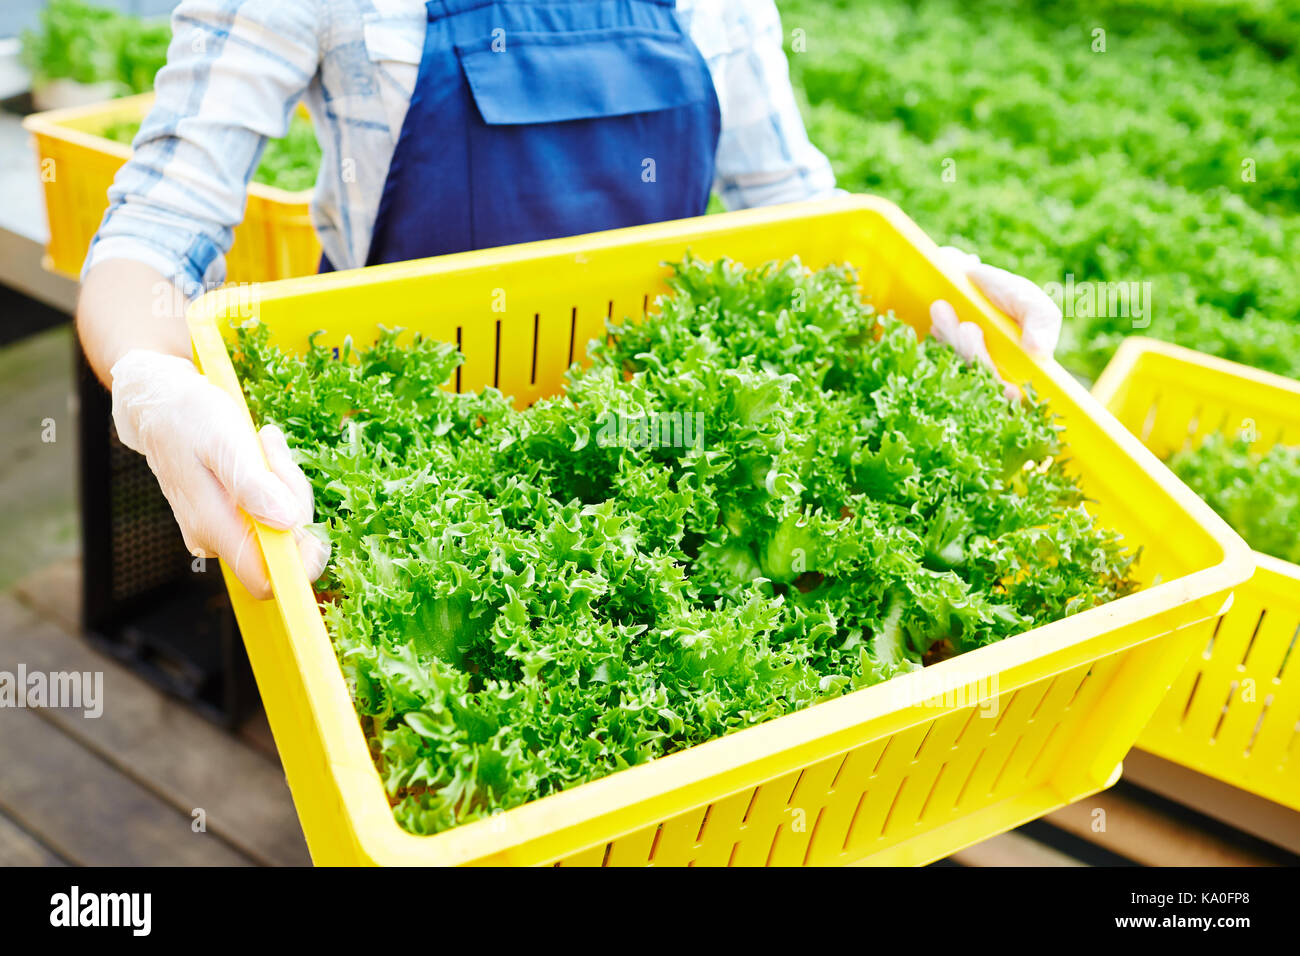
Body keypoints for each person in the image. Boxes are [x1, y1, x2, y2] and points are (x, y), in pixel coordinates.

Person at [76, 0, 1062, 602]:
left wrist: (930, 277)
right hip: (399, 479)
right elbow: (159, 228)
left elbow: (793, 206)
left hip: (670, 454)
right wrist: (154, 381)